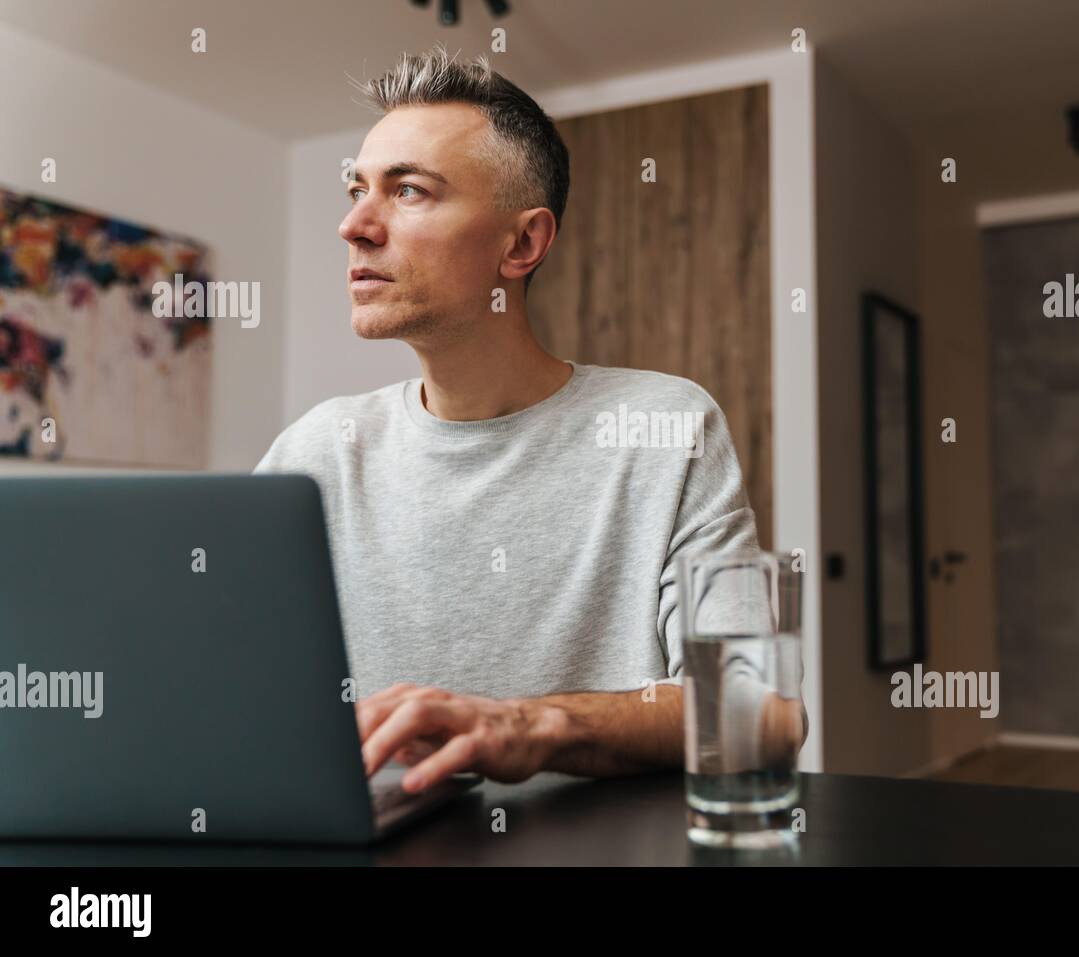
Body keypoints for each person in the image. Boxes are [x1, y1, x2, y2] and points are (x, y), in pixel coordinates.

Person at [254, 44, 786, 794]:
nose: (354, 226)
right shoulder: (314, 450)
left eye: (408, 191)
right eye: (356, 188)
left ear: (524, 242)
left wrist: (530, 726)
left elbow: (757, 709)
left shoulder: (664, 426)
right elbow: (227, 694)